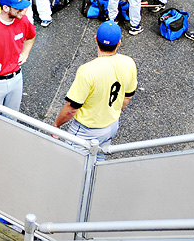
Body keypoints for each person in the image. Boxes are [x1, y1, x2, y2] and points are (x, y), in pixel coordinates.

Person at [52, 21, 137, 160]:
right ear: (119, 42)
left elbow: (71, 108)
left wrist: (57, 125)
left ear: (96, 39)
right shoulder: (129, 63)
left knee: (70, 163)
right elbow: (127, 97)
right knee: (97, 163)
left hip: (87, 131)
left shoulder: (88, 70)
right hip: (112, 126)